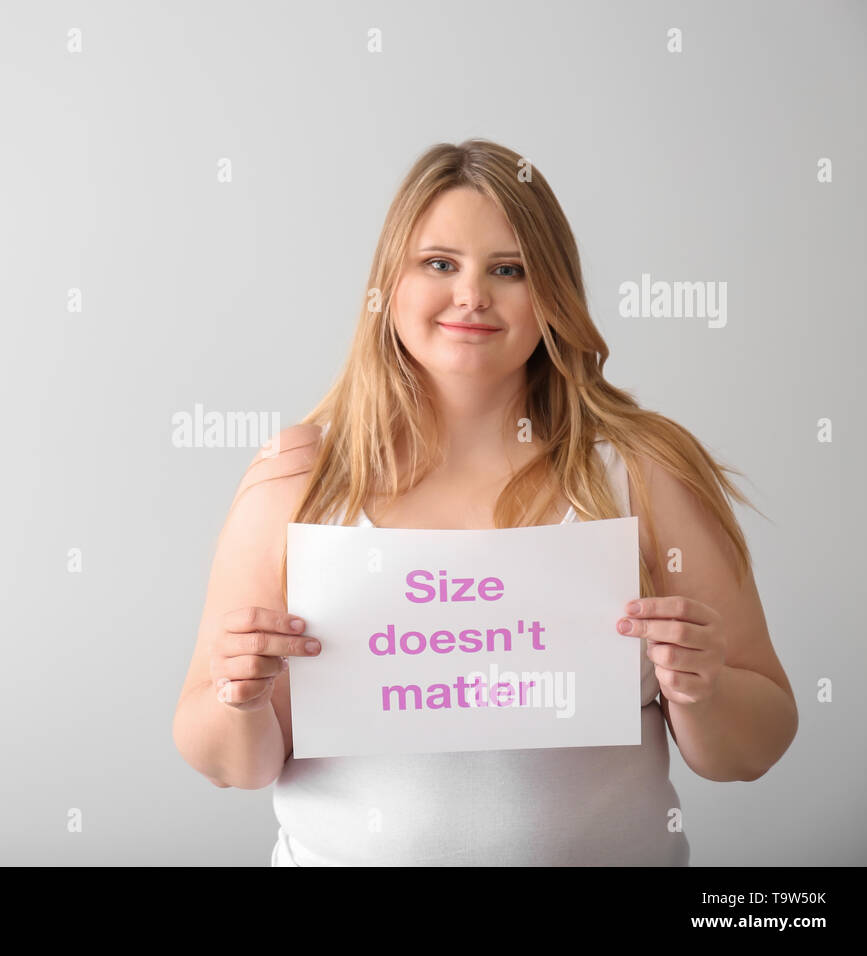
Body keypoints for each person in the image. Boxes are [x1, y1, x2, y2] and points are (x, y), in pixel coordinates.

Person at [171, 139, 798, 866]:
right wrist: (236, 695)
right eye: (439, 263)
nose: (471, 294)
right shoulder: (300, 478)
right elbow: (228, 765)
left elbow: (751, 752)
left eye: (509, 270)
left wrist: (704, 687)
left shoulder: (641, 468)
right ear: (388, 286)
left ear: (554, 293)